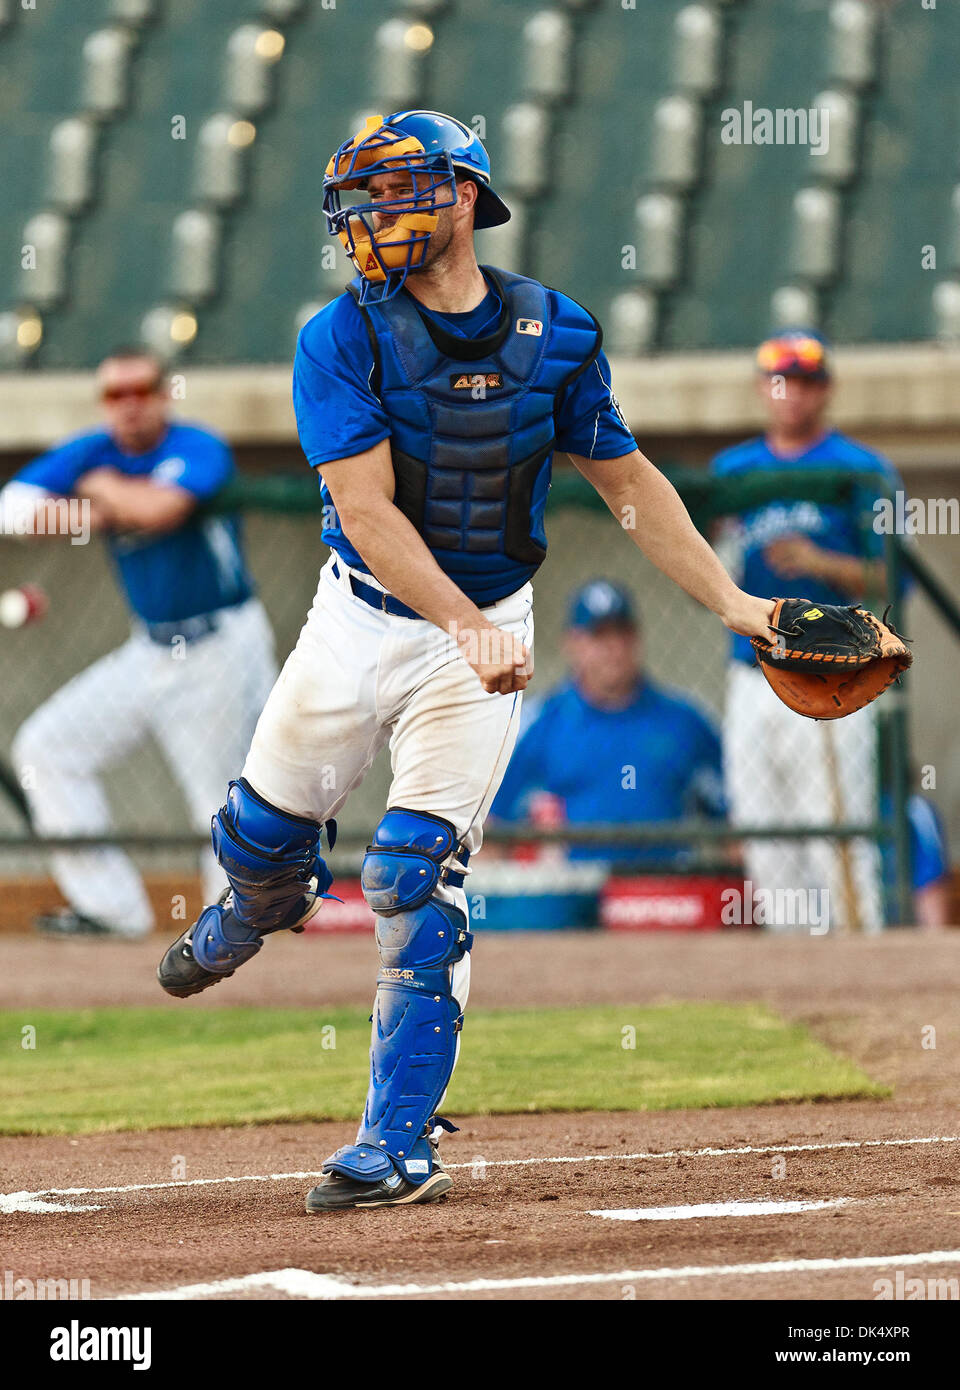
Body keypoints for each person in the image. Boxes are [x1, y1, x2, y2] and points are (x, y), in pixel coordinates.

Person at [156, 110, 775, 1212]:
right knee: (259, 843)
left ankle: (397, 1141)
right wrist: (461, 621)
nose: (366, 218)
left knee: (410, 875)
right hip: (361, 621)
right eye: (362, 197)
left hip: (483, 633)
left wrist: (735, 602)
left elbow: (629, 484)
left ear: (460, 197)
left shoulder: (559, 331)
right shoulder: (338, 336)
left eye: (392, 191)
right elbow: (367, 509)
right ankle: (257, 905)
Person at [0, 348, 276, 938]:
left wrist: (97, 489)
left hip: (217, 649)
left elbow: (159, 509)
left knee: (224, 797)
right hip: (148, 650)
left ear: (162, 394)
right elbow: (12, 510)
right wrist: (98, 510)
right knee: (46, 750)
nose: (128, 405)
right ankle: (111, 909)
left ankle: (235, 933)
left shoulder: (196, 445)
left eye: (141, 390)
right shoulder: (94, 448)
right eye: (115, 395)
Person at [710, 330, 906, 932]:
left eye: (803, 381)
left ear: (824, 390)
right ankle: (795, 973)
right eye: (780, 381)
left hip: (834, 675)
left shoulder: (863, 468)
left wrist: (821, 564)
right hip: (750, 671)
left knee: (837, 831)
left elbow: (895, 579)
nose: (790, 394)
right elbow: (712, 565)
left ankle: (858, 961)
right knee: (763, 829)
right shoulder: (732, 470)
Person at [491, 579, 725, 864]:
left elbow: (733, 821)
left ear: (637, 638)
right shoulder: (537, 724)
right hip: (570, 894)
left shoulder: (685, 721)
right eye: (599, 636)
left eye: (621, 633)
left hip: (665, 893)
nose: (613, 648)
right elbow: (492, 828)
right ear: (572, 643)